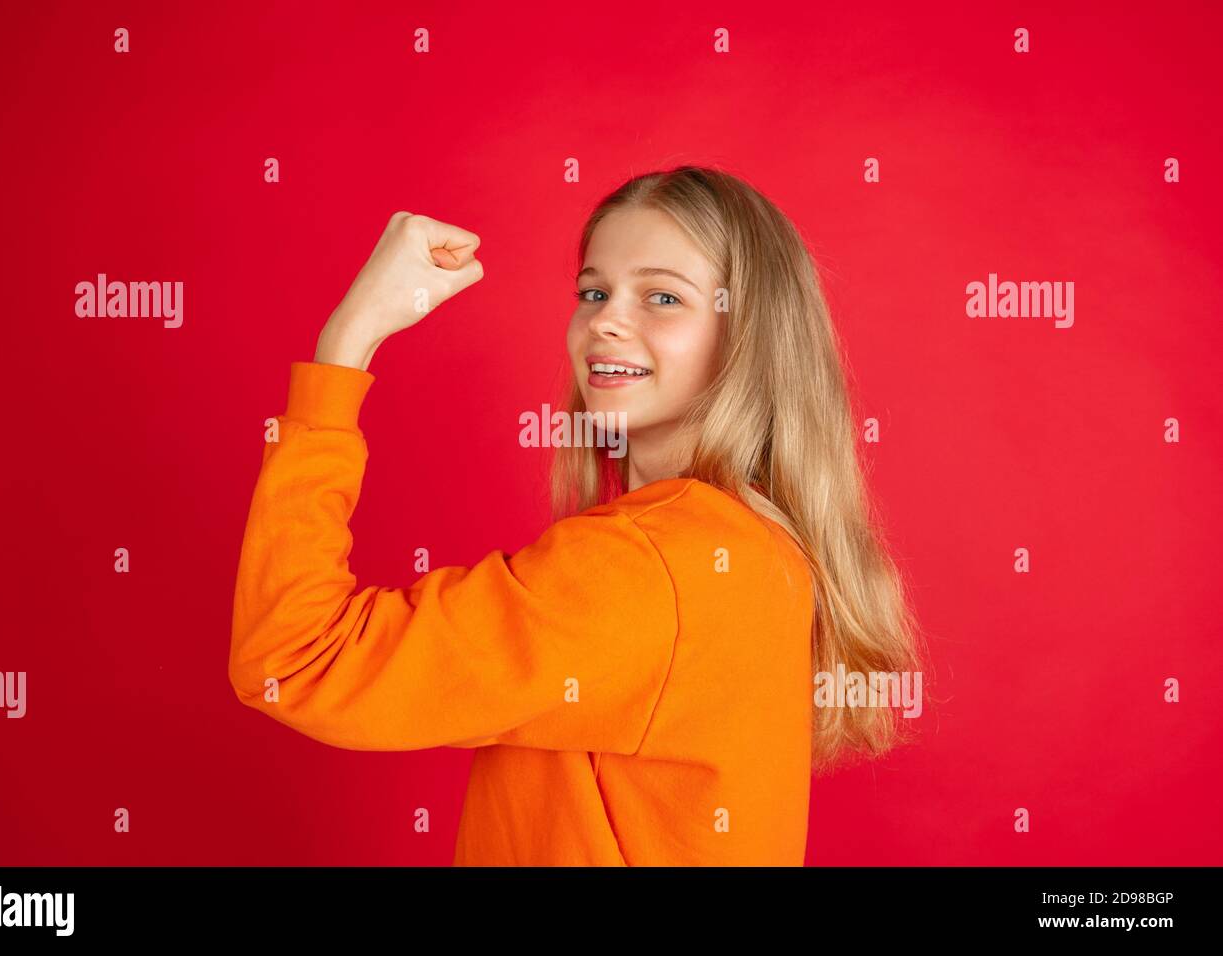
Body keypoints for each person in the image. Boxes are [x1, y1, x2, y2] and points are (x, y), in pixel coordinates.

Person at [229, 165, 924, 865]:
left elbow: (294, 658)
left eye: (662, 296)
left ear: (749, 338)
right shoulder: (757, 549)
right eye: (594, 292)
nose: (607, 321)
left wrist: (349, 340)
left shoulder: (645, 564)